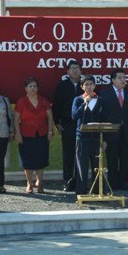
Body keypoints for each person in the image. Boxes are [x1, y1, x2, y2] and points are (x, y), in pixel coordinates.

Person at [100, 69, 128, 191]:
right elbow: (102, 116)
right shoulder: (104, 94)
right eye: (120, 77)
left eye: (124, 77)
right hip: (111, 133)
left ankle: (123, 183)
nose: (123, 80)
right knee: (112, 160)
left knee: (124, 160)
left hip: (127, 133)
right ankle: (113, 184)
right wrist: (103, 136)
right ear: (113, 80)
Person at [14, 77, 54, 194]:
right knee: (27, 160)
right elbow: (16, 119)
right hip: (26, 134)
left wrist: (50, 131)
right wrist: (18, 134)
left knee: (41, 159)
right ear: (25, 88)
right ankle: (29, 183)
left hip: (42, 133)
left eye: (35, 86)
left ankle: (39, 182)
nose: (33, 88)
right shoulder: (21, 101)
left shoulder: (44, 101)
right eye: (30, 86)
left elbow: (50, 117)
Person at [72, 75, 106, 195]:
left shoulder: (100, 100)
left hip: (97, 138)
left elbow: (104, 119)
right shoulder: (78, 100)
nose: (89, 86)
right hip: (82, 138)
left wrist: (104, 139)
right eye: (86, 84)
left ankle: (98, 191)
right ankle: (81, 191)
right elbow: (74, 116)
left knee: (97, 165)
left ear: (94, 85)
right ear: (82, 87)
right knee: (82, 166)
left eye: (91, 84)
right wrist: (84, 104)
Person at [52, 60, 83, 191]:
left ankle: (80, 181)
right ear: (67, 71)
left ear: (81, 71)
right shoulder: (62, 85)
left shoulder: (85, 84)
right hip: (67, 124)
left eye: (77, 68)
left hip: (83, 124)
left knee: (81, 154)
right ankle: (69, 181)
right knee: (68, 154)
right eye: (72, 68)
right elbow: (56, 105)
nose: (75, 71)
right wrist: (57, 123)